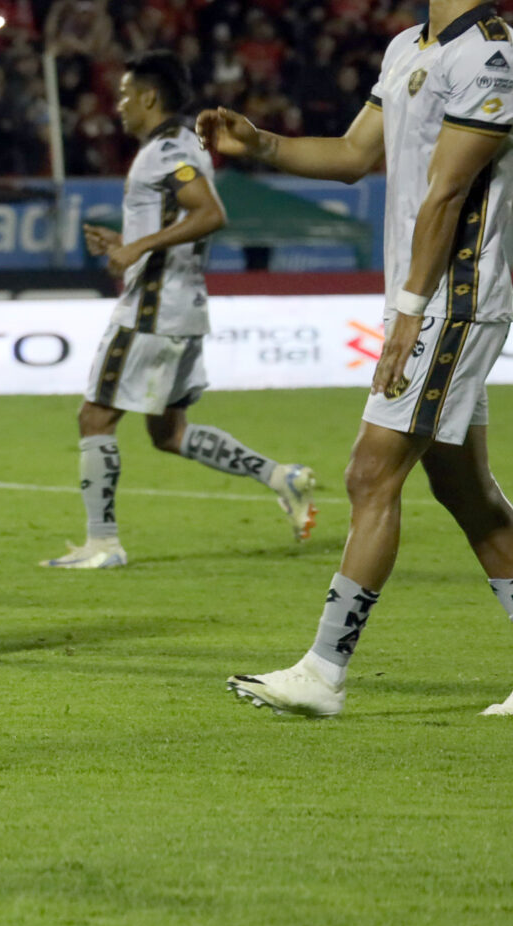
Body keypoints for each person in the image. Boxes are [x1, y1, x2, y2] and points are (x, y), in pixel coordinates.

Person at [202, 0, 513, 718]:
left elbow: (445, 195)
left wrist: (406, 313)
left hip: (452, 301)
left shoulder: (496, 63)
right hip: (430, 299)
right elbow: (351, 155)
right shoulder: (411, 45)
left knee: (371, 469)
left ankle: (323, 673)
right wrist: (257, 142)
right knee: (462, 486)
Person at [47, 51, 317, 569]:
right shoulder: (181, 143)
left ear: (149, 96)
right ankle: (281, 477)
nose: (119, 105)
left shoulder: (166, 148)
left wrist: (137, 248)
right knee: (169, 433)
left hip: (152, 310)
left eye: (126, 95)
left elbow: (210, 213)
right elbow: (181, 220)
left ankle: (102, 544)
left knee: (95, 417)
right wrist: (128, 242)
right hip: (183, 306)